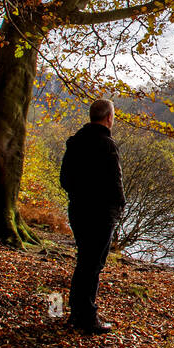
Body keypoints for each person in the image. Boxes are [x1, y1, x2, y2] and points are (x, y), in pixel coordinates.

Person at [58, 98, 126, 334]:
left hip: (78, 209)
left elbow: (64, 179)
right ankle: (87, 318)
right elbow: (115, 182)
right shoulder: (107, 145)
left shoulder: (75, 142)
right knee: (92, 264)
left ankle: (77, 313)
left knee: (84, 261)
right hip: (101, 213)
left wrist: (80, 194)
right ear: (109, 118)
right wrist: (119, 208)